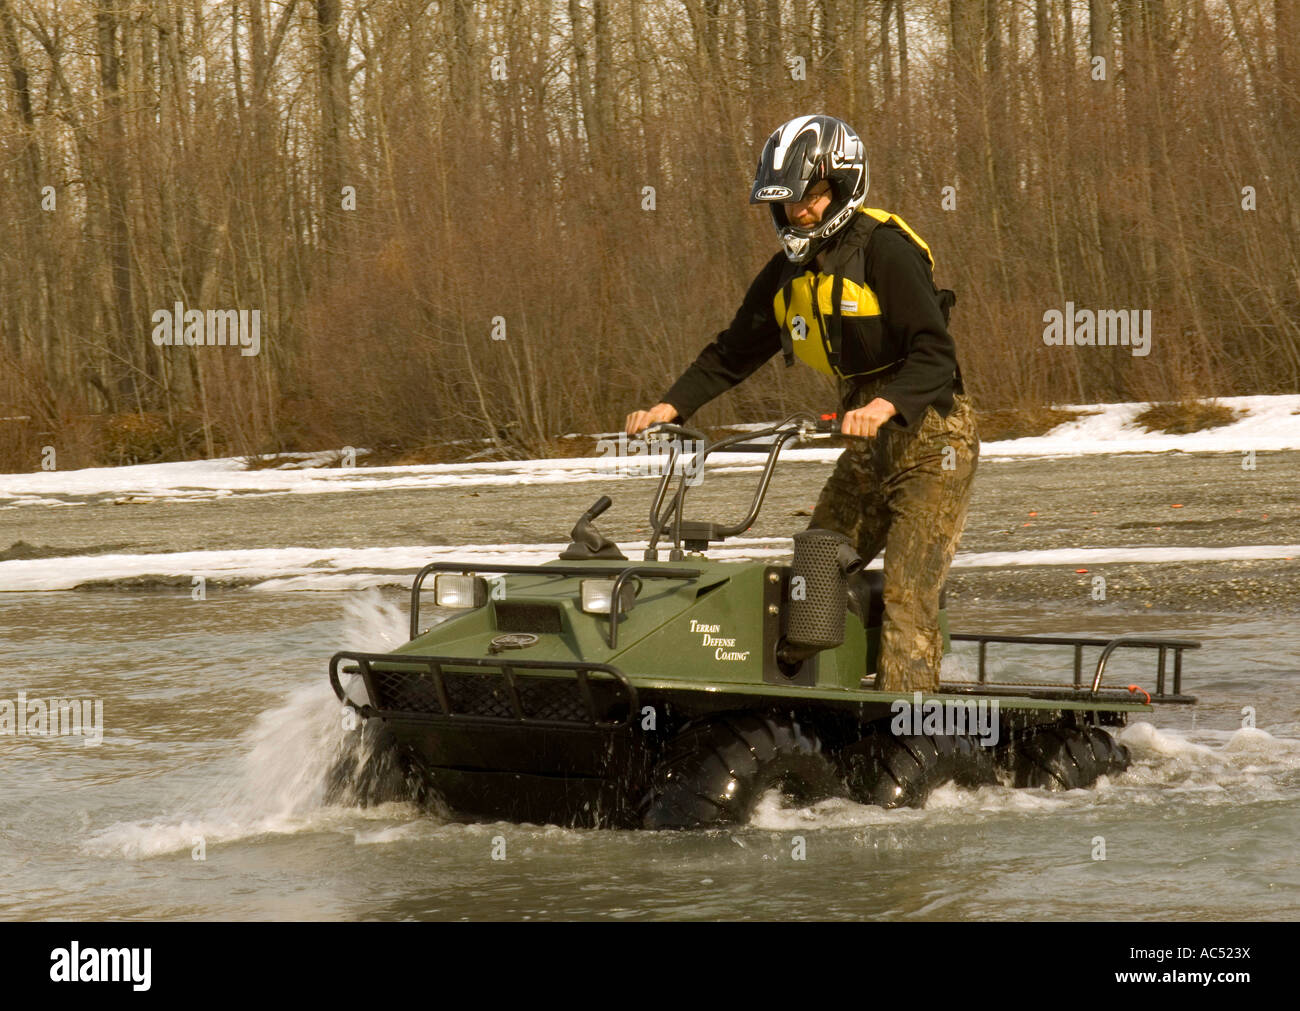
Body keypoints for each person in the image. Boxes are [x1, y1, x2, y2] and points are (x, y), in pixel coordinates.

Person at [624, 114, 978, 693]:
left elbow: (935, 354)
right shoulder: (789, 269)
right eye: (788, 204)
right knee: (809, 581)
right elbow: (734, 349)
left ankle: (909, 736)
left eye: (810, 199)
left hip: (932, 438)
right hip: (866, 448)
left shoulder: (885, 251)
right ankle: (800, 715)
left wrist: (886, 405)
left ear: (841, 188)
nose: (799, 214)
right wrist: (672, 406)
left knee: (906, 596)